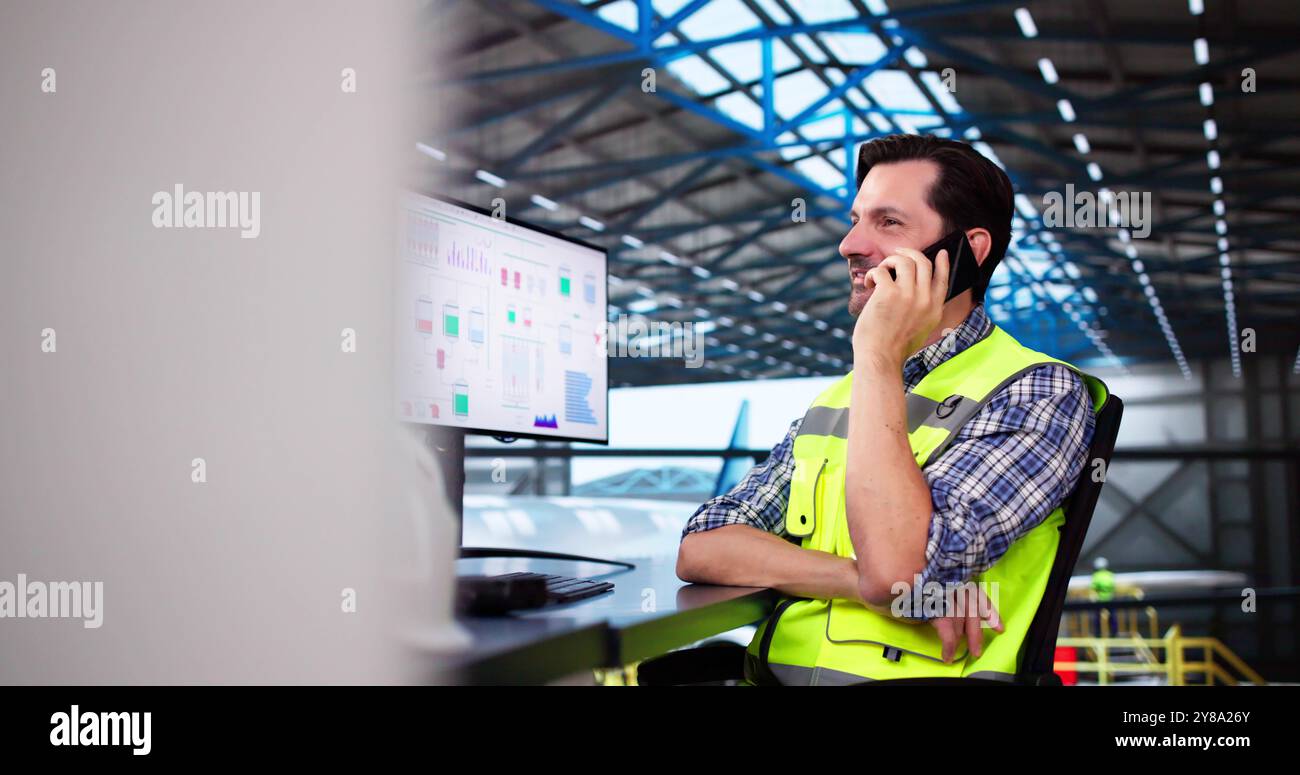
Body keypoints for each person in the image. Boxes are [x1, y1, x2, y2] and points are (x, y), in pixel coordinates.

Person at [676, 134, 1105, 684]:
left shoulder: (1038, 393)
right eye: (856, 220)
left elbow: (905, 571)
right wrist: (857, 580)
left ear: (967, 251)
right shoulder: (837, 401)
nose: (850, 244)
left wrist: (877, 353)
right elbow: (704, 545)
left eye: (888, 223)